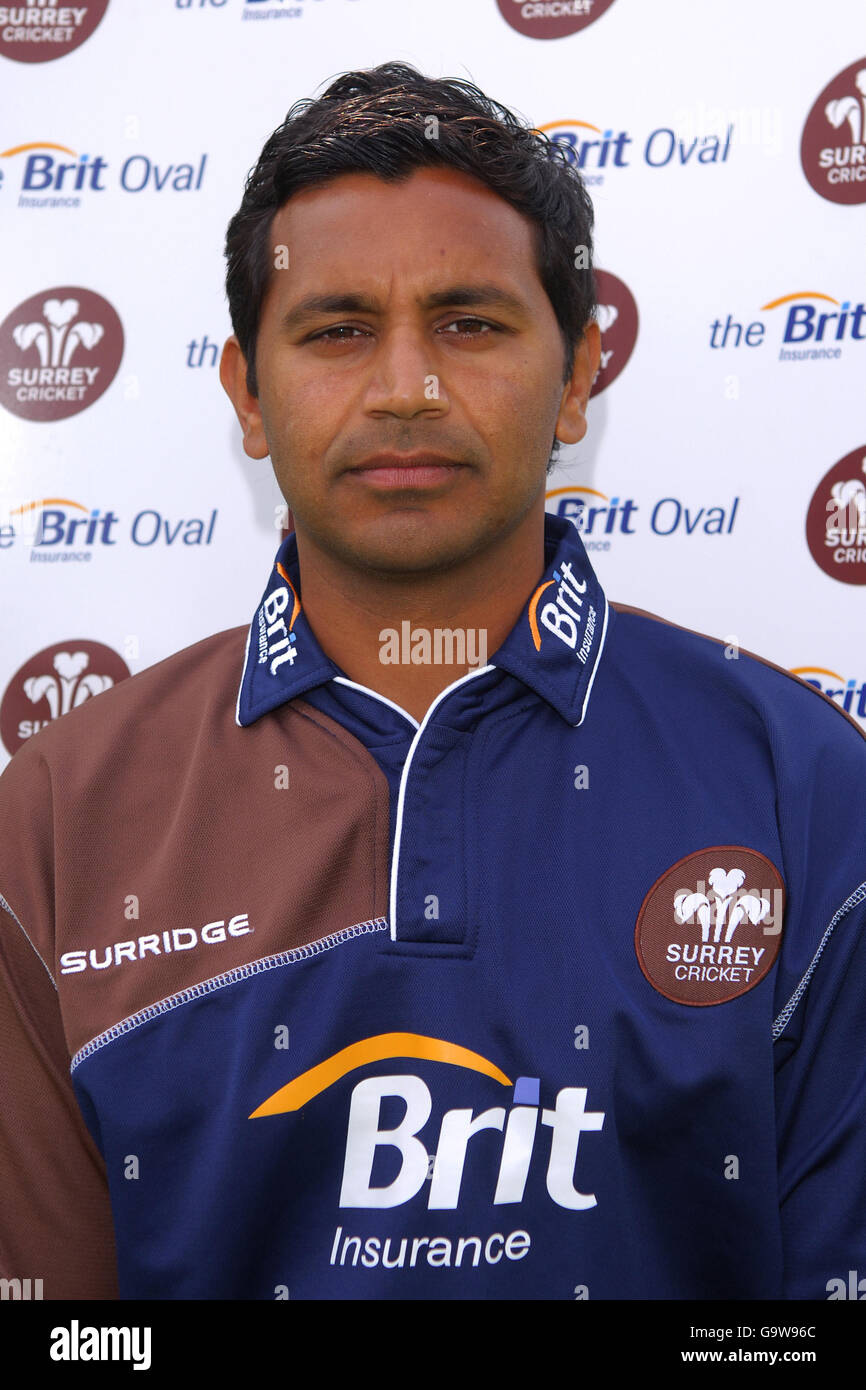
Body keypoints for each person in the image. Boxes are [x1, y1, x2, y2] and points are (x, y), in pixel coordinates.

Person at [1, 61, 864, 1302]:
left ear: (574, 378)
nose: (405, 388)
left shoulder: (802, 786)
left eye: (469, 324)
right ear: (248, 393)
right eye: (337, 329)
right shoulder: (52, 822)